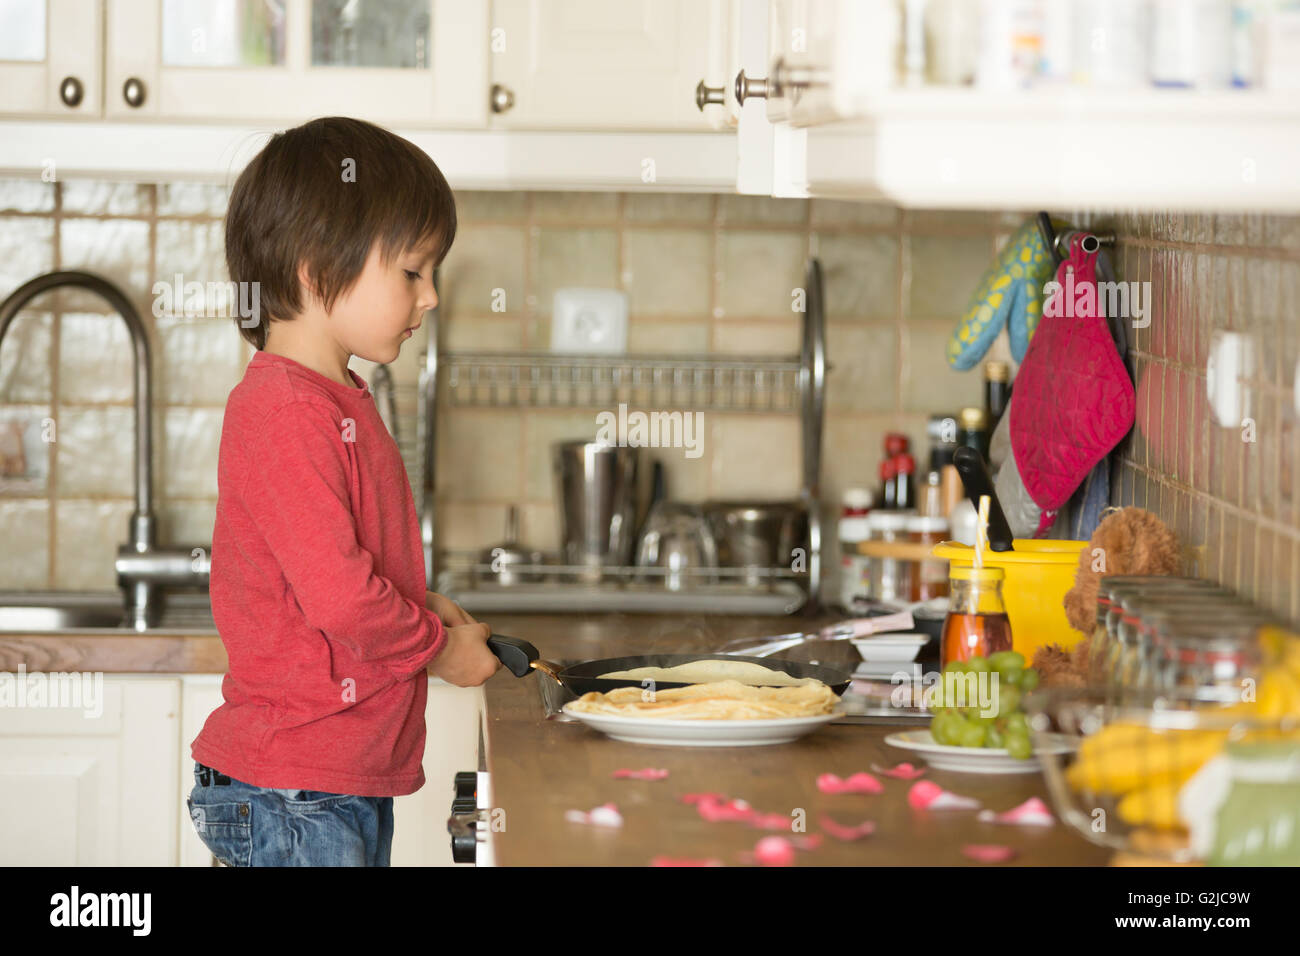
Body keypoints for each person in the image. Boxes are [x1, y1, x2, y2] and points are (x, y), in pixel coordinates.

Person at [187, 116, 499, 867]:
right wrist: (436, 652)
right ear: (313, 265)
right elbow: (342, 598)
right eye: (413, 272)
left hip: (321, 787)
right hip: (296, 792)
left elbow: (344, 570)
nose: (430, 298)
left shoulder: (334, 398)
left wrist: (421, 609)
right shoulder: (287, 411)